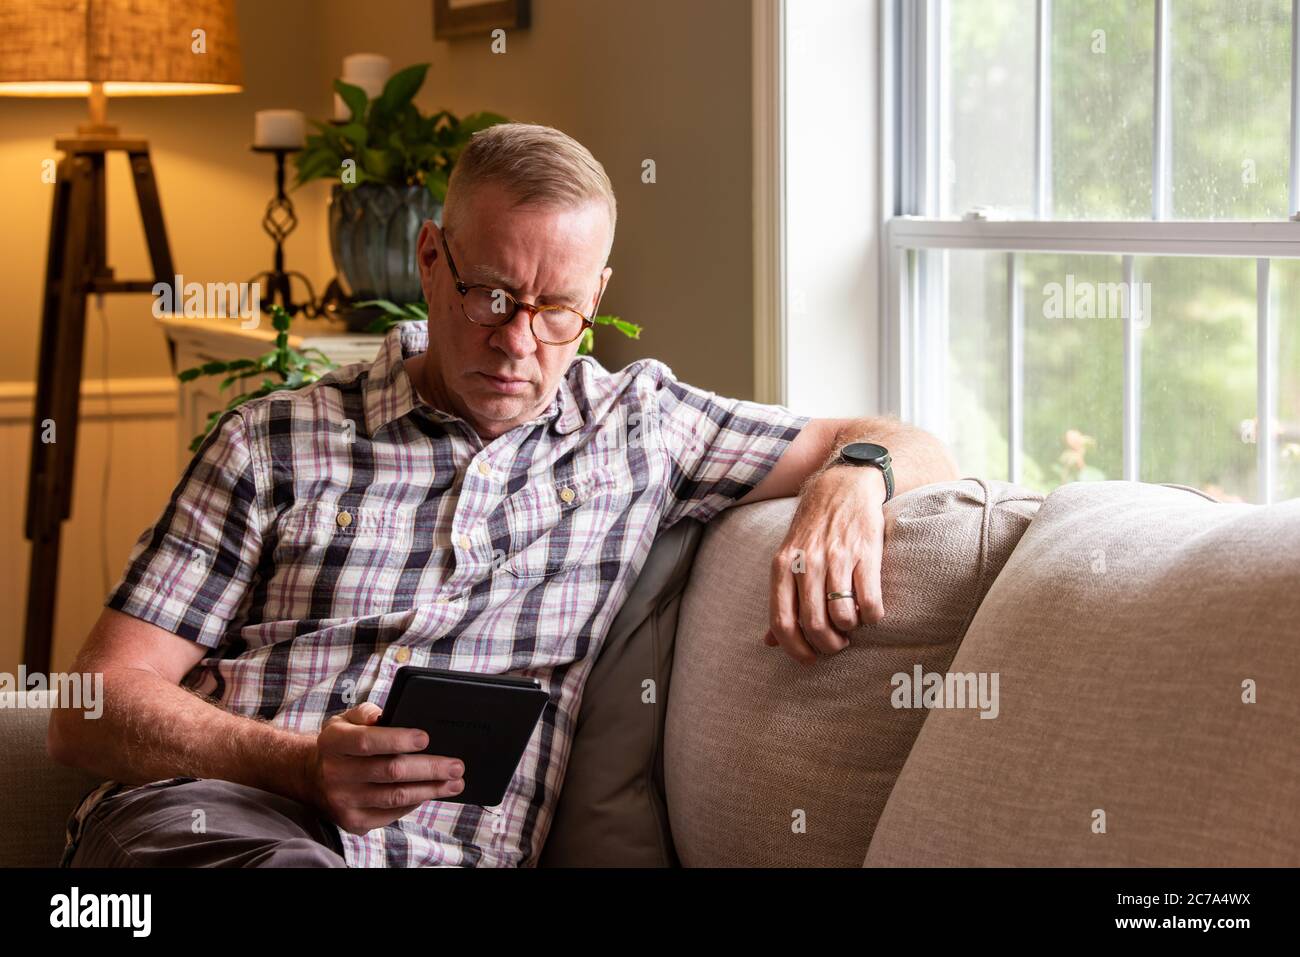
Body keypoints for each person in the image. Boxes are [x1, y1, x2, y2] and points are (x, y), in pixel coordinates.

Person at [49, 123, 958, 868]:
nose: (518, 341)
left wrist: (851, 480)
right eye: (488, 294)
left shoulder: (644, 427)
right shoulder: (273, 440)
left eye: (557, 308)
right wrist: (295, 763)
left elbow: (912, 444)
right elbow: (87, 703)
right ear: (431, 259)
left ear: (597, 295)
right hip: (219, 824)